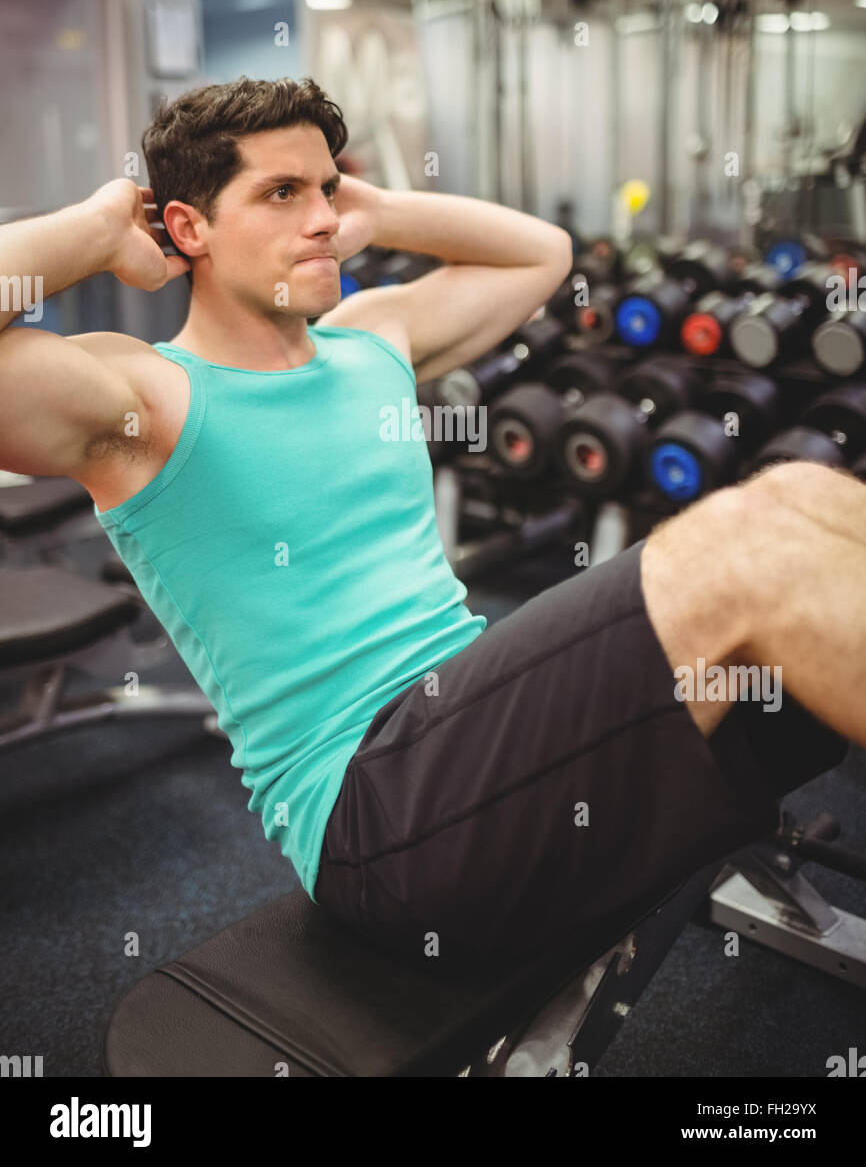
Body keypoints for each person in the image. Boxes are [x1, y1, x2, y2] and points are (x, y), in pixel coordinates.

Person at [0, 76, 859, 963]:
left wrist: (377, 211)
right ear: (187, 228)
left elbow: (543, 254)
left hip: (481, 731)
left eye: (326, 188)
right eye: (281, 193)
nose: (323, 217)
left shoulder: (373, 338)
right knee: (748, 547)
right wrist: (101, 230)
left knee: (811, 496)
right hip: (376, 810)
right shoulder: (141, 398)